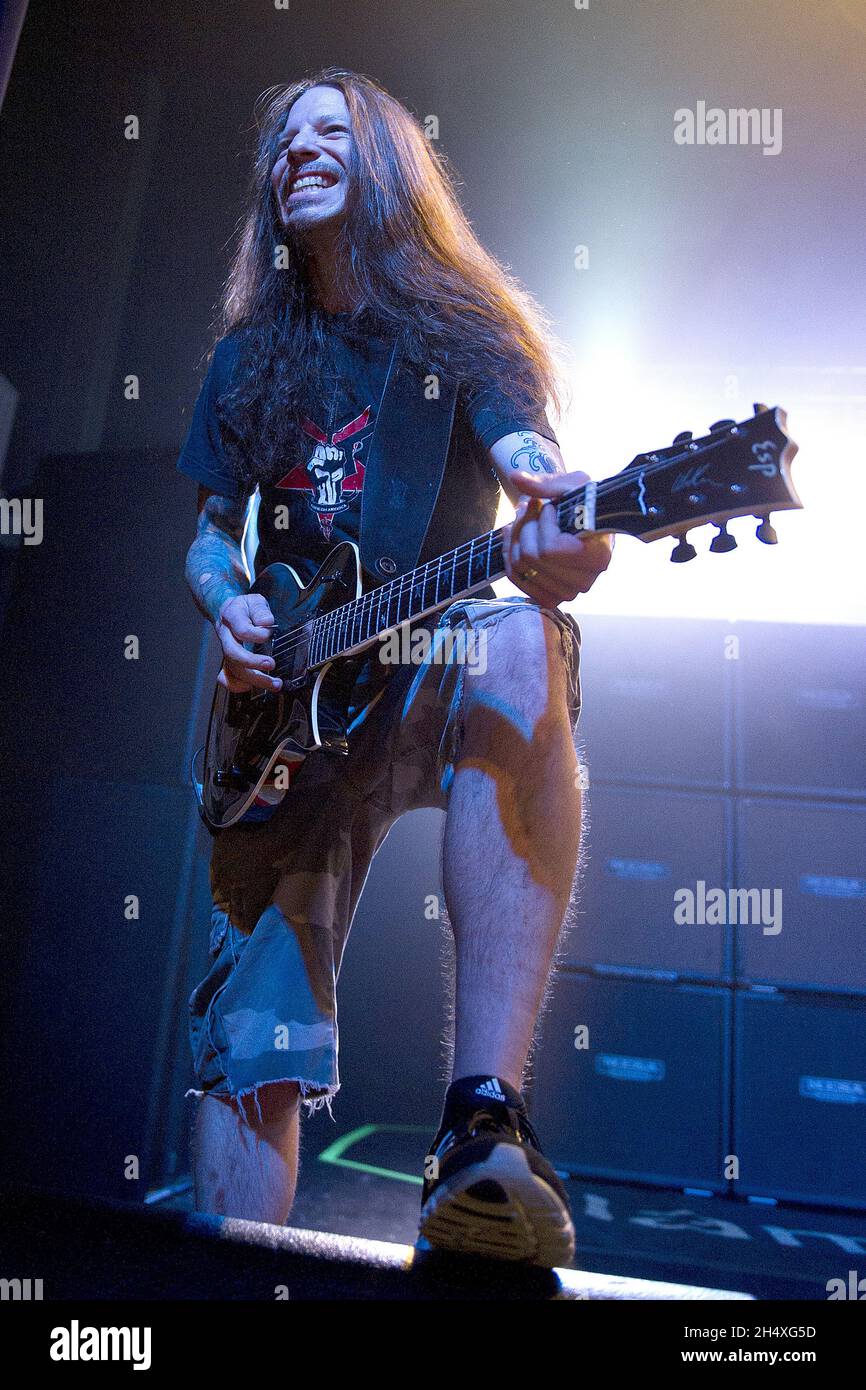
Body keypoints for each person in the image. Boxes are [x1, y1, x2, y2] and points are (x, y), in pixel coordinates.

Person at [178, 67, 612, 1267]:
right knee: (246, 1040)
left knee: (520, 630)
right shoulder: (250, 354)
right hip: (277, 720)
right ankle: (227, 1281)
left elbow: (524, 448)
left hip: (422, 659)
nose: (298, 154)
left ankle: (482, 1128)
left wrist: (555, 503)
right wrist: (228, 609)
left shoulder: (462, 324)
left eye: (330, 132)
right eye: (282, 143)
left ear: (387, 164)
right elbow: (213, 536)